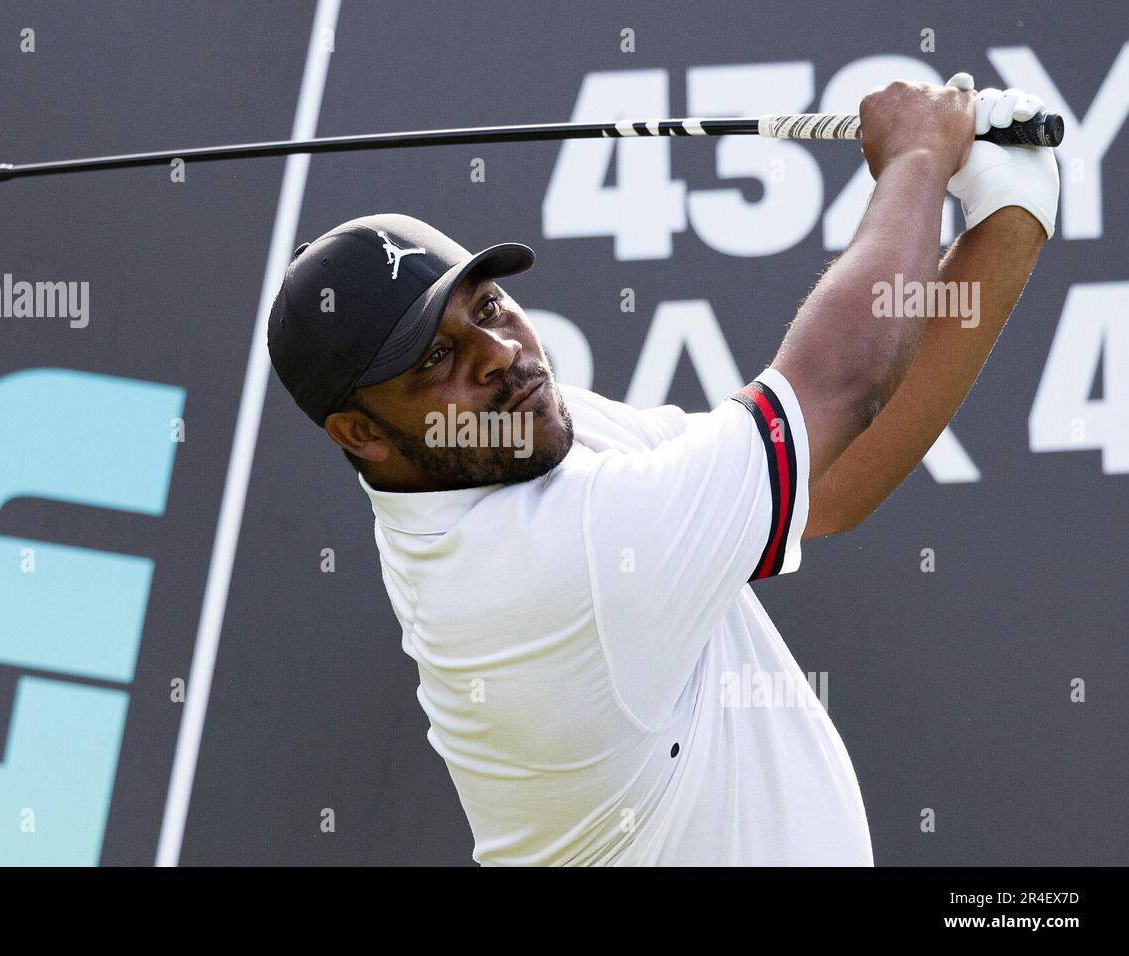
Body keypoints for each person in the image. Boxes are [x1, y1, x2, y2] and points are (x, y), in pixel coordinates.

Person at [265, 73, 1058, 865]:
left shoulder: (512, 443)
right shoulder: (548, 559)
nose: (501, 354)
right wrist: (917, 157)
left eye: (489, 306)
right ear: (359, 431)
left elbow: (827, 482)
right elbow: (838, 387)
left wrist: (1011, 219)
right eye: (437, 356)